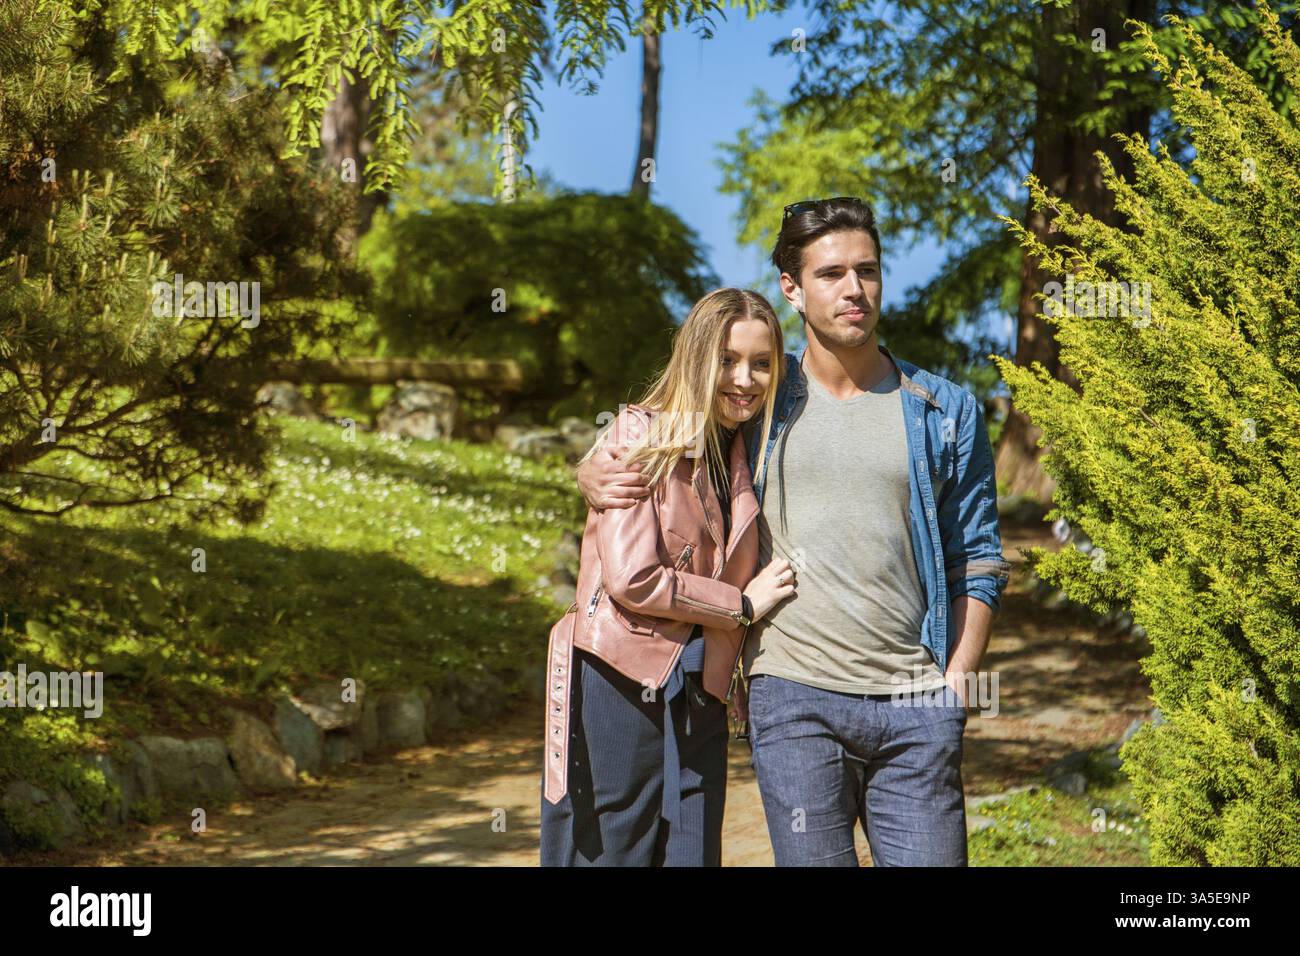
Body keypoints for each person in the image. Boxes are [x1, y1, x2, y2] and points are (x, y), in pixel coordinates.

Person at [577, 197, 1012, 866]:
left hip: (914, 702)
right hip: (793, 699)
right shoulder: (757, 403)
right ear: (792, 287)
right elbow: (662, 431)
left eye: (866, 271)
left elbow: (977, 556)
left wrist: (955, 682)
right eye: (831, 273)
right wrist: (594, 466)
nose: (853, 290)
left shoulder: (941, 408)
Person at [540, 287, 796, 866]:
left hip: (700, 683)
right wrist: (741, 605)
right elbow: (634, 579)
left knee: (691, 852)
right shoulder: (642, 435)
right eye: (728, 360)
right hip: (620, 673)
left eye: (761, 364)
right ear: (697, 356)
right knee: (615, 849)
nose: (745, 379)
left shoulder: (742, 448)